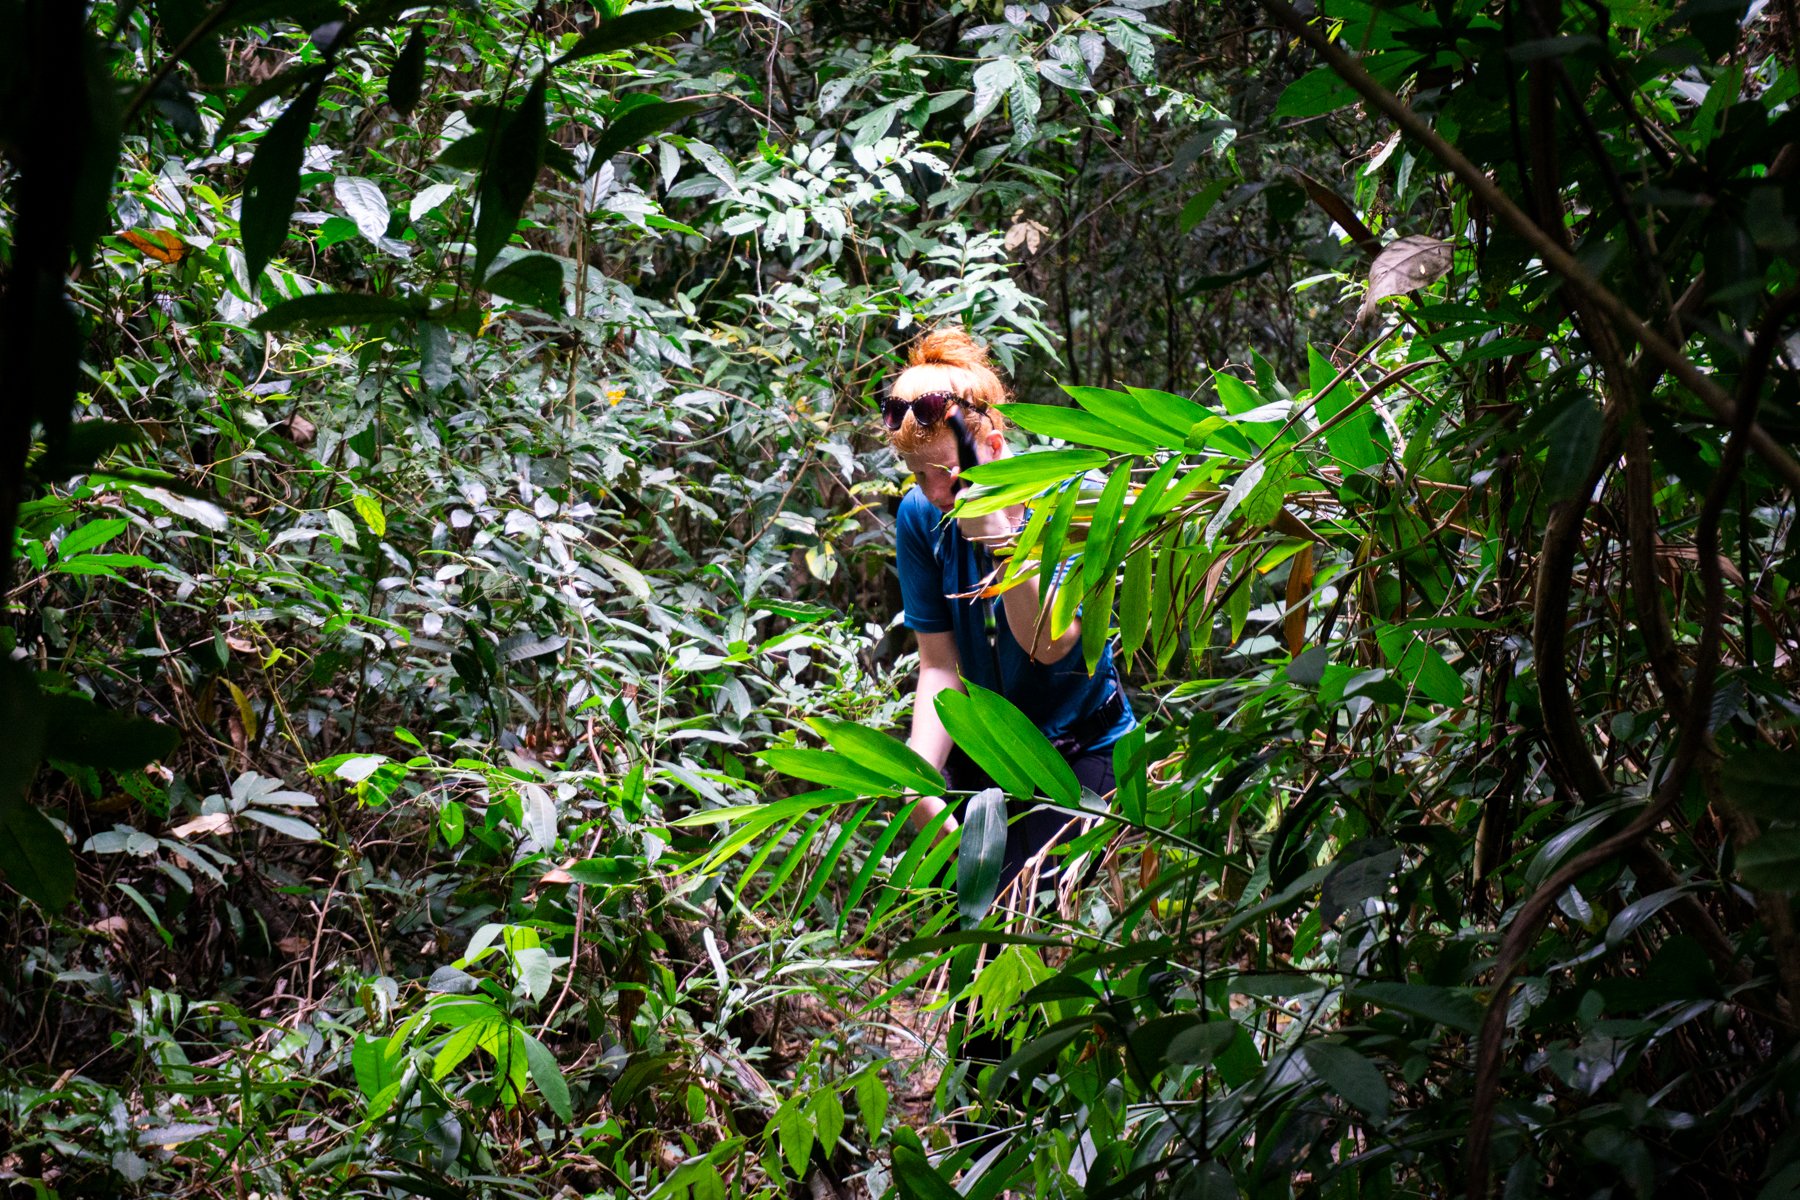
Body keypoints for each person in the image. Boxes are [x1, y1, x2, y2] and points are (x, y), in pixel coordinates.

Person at [884, 327, 1137, 902]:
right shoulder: (922, 514)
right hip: (991, 745)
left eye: (944, 470)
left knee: (1032, 917)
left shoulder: (1074, 495)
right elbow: (939, 664)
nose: (934, 490)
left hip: (1081, 747)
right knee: (970, 931)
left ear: (993, 445)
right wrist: (916, 777)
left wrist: (1003, 542)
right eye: (918, 475)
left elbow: (1050, 646)